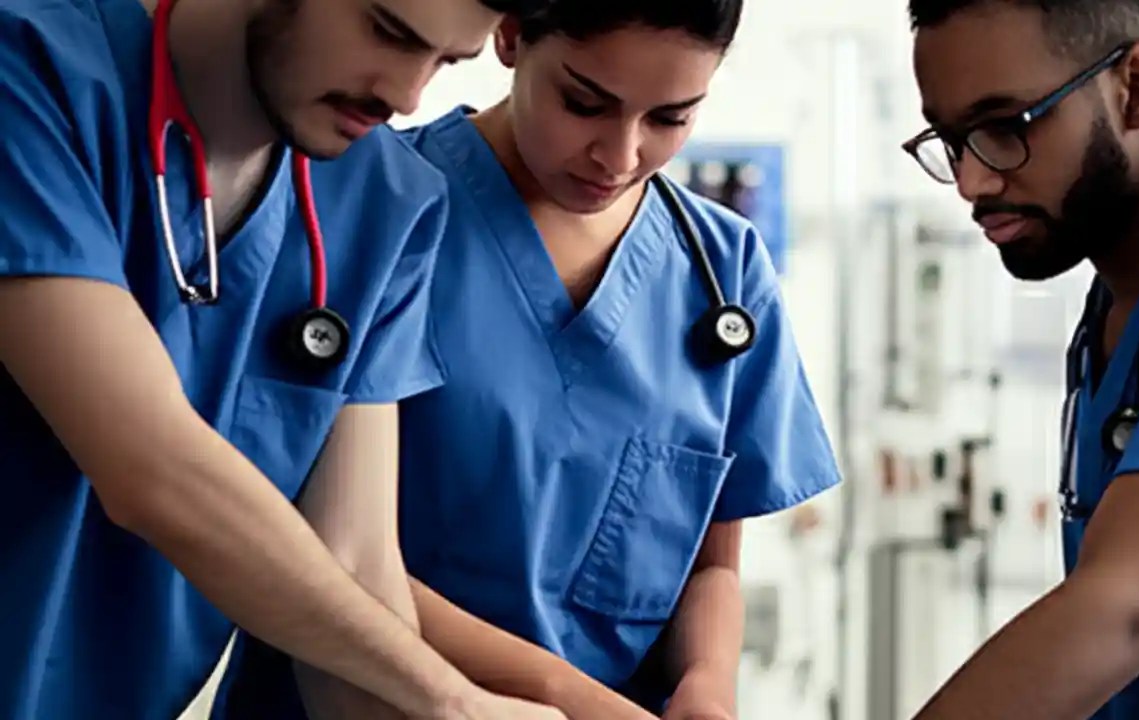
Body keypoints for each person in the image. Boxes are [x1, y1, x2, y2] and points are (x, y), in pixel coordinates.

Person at [221, 1, 843, 718]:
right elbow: (319, 550)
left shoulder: (721, 275)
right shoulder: (364, 209)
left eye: (670, 118)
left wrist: (706, 684)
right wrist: (566, 698)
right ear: (511, 36)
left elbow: (711, 566)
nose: (620, 156)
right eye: (584, 104)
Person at [0, 0, 566, 717]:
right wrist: (449, 699)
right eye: (388, 33)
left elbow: (355, 567)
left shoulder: (387, 204)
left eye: (446, 62)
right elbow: (150, 470)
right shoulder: (28, 70)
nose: (406, 96)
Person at [901, 1, 1139, 718]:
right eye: (951, 141)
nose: (972, 183)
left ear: (1138, 88)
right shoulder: (1120, 301)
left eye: (1005, 127)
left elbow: (1123, 611)